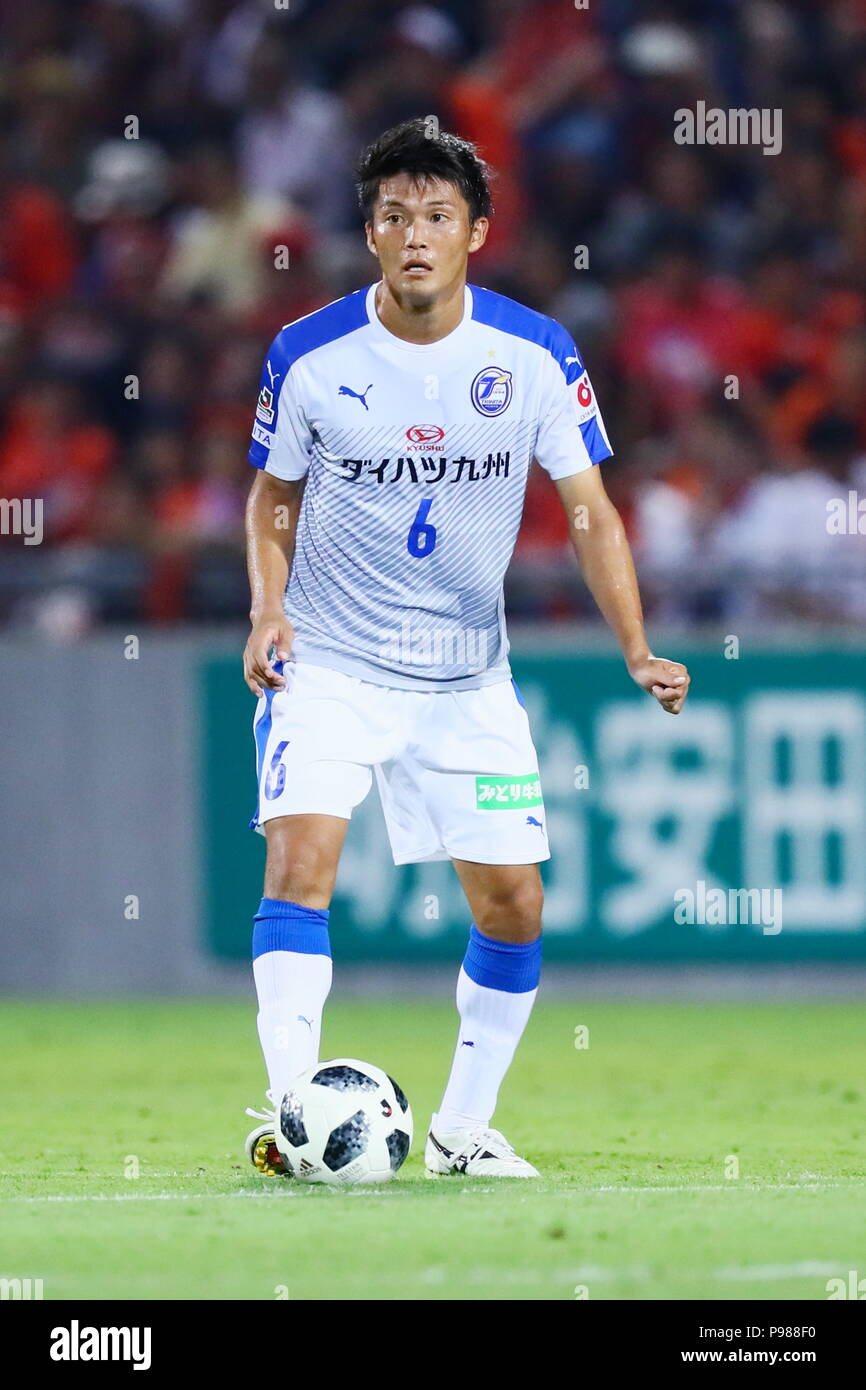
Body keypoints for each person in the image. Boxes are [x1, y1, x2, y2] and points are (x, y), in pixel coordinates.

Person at [242, 119, 690, 1181]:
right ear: (368, 234)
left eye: (435, 214)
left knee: (514, 902)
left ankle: (457, 1132)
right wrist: (268, 608)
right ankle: (288, 1115)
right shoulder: (307, 356)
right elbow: (271, 497)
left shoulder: (532, 353)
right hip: (332, 664)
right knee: (301, 865)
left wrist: (634, 645)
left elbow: (589, 510)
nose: (413, 233)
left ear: (474, 233)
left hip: (463, 677)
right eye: (393, 214)